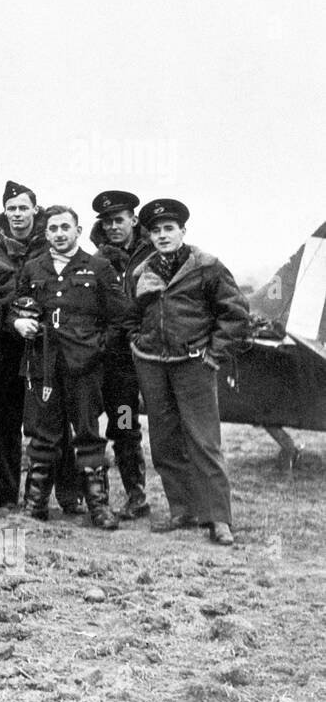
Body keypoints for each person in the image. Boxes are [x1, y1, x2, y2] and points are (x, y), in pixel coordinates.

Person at [125, 199, 250, 546]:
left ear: (183, 231)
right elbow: (131, 314)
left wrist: (214, 354)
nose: (162, 235)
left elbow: (235, 314)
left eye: (169, 229)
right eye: (156, 230)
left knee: (204, 441)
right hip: (152, 364)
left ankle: (218, 519)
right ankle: (182, 509)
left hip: (195, 364)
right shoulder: (142, 272)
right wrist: (138, 342)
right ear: (149, 235)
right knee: (164, 441)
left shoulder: (207, 267)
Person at [11, 205, 127, 529]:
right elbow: (15, 308)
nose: (60, 234)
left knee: (88, 433)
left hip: (84, 364)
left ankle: (99, 507)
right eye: (53, 228)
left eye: (66, 227)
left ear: (77, 230)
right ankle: (34, 505)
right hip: (43, 363)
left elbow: (121, 317)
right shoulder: (33, 268)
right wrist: (19, 323)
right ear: (45, 233)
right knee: (42, 433)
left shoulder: (99, 267)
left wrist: (97, 347)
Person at [0, 180, 52, 510]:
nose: (18, 214)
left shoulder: (50, 245)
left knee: (49, 420)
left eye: (24, 208)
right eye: (12, 209)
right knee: (3, 421)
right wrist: (13, 322)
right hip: (6, 346)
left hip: (44, 345)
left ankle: (55, 494)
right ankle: (6, 490)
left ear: (35, 210)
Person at [89, 189, 153, 520]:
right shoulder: (97, 260)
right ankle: (92, 499)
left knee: (127, 426)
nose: (113, 226)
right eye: (108, 221)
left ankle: (136, 496)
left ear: (133, 220)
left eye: (119, 220)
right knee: (97, 428)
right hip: (108, 360)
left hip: (140, 358)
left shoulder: (153, 254)